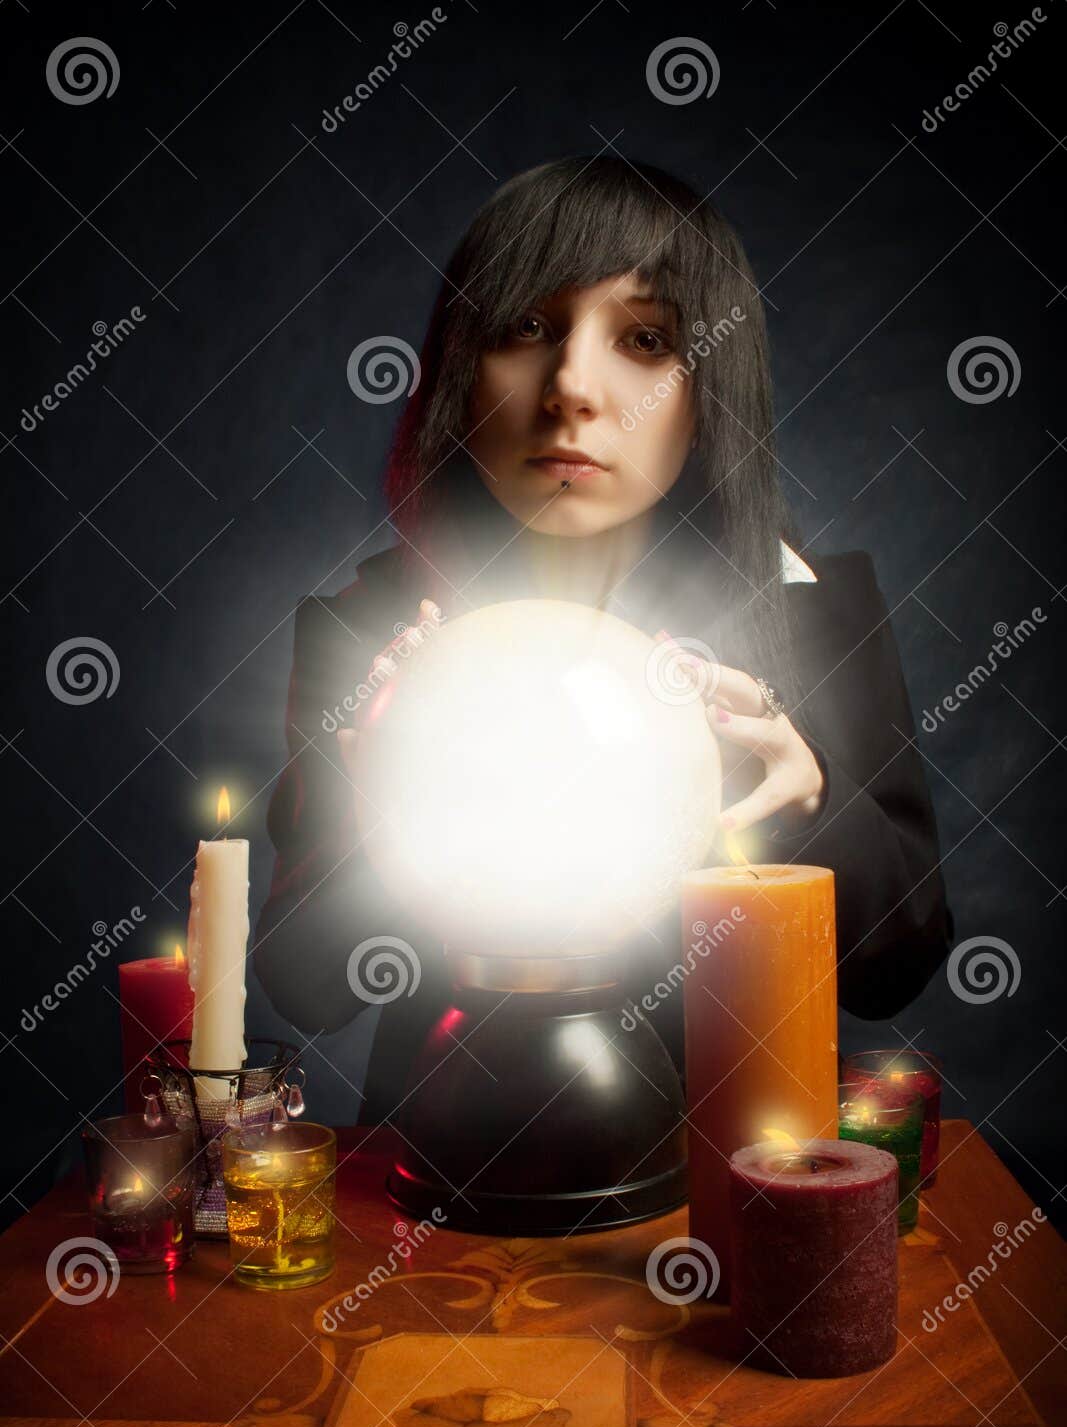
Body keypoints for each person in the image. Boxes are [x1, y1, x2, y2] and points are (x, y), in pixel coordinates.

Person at [253, 156, 953, 1125]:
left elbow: (898, 964)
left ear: (710, 391)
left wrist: (808, 802)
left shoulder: (802, 609)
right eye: (526, 327)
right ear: (460, 368)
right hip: (446, 1167)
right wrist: (366, 813)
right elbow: (308, 987)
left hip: (736, 1160)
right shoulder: (373, 632)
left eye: (643, 338)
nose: (574, 386)